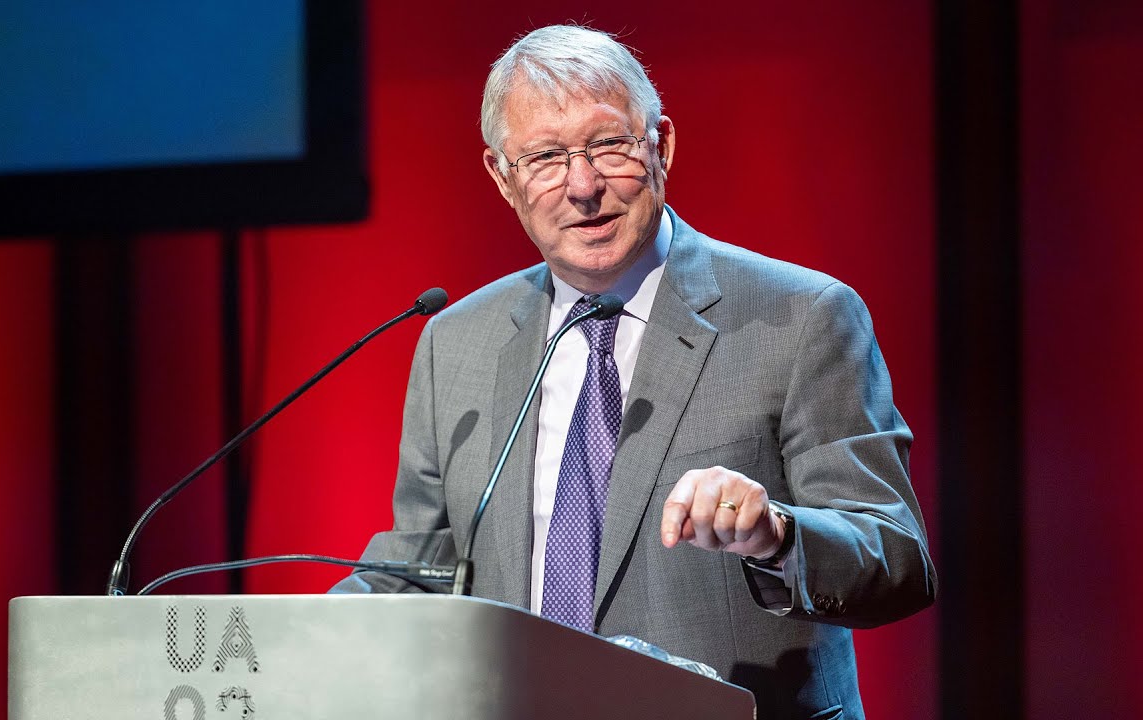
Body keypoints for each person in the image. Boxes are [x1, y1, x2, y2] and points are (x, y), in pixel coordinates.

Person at [334, 24, 936, 719]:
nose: (583, 186)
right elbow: (417, 570)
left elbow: (897, 560)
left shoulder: (802, 318)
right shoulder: (455, 343)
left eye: (608, 145)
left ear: (662, 146)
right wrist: (293, 648)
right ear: (502, 176)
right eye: (547, 157)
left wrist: (777, 535)